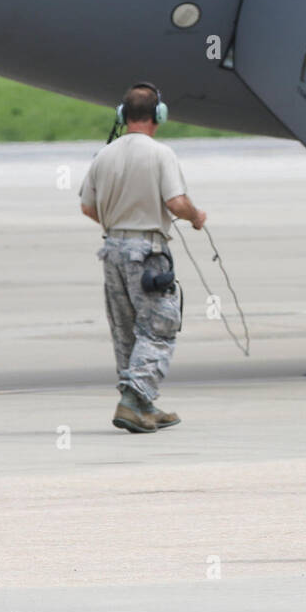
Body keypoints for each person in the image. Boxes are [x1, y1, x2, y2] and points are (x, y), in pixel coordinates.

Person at [79, 83, 206, 433]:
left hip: (112, 250)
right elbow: (176, 203)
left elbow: (87, 206)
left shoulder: (104, 155)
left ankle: (142, 402)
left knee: (126, 331)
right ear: (158, 116)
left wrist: (117, 222)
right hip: (147, 252)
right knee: (159, 327)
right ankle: (134, 399)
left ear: (123, 115)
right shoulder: (160, 153)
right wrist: (195, 217)